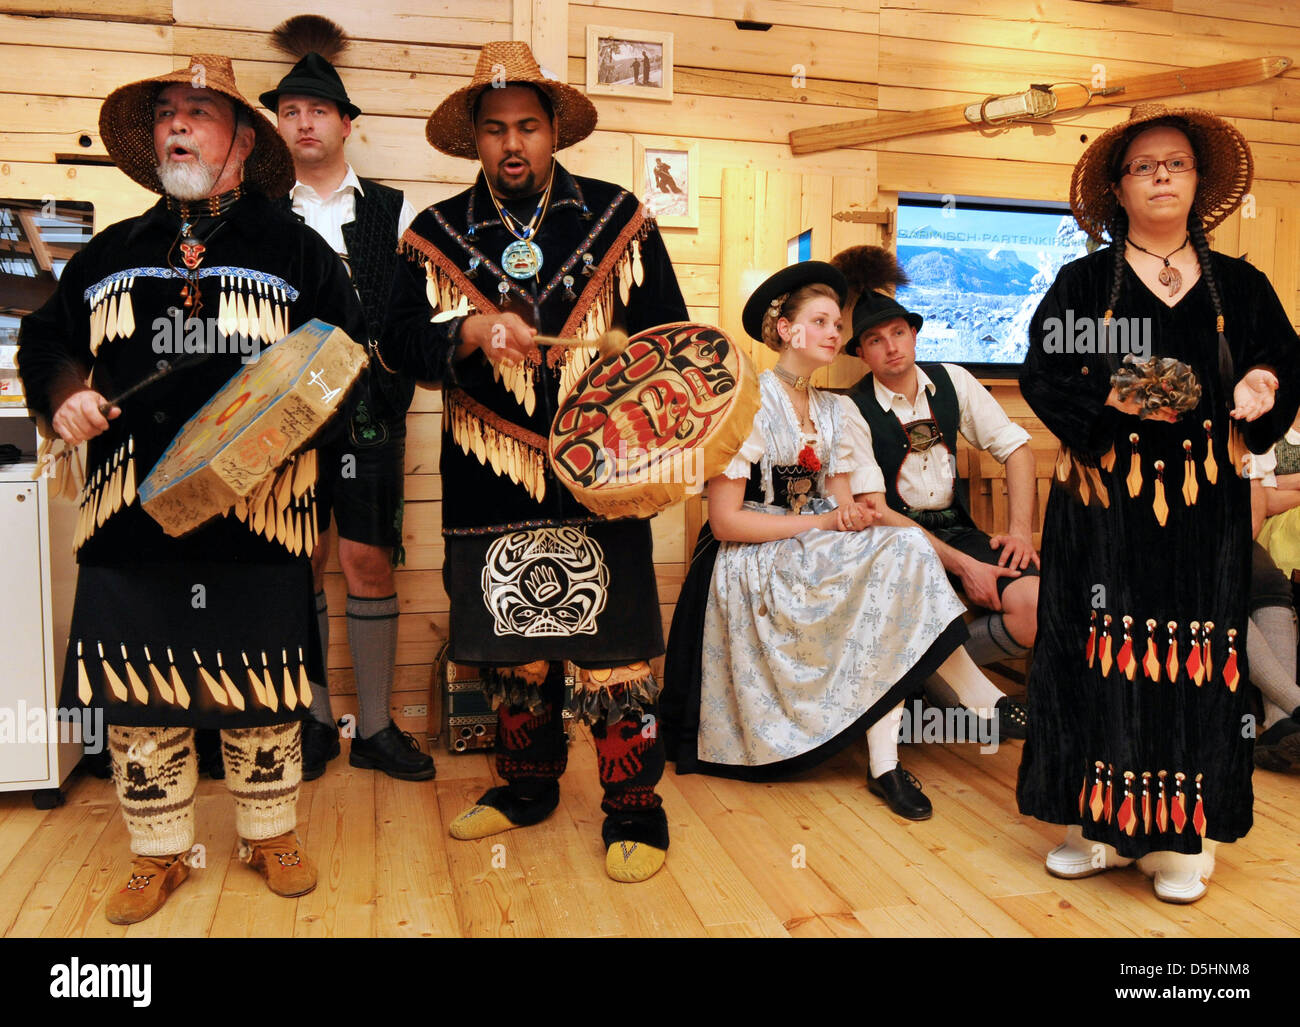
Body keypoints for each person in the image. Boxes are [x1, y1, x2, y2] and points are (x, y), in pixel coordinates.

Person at [16, 55, 367, 923]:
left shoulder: (299, 252)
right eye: (167, 112)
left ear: (243, 139)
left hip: (259, 510)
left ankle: (269, 831)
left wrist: (283, 437)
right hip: (130, 513)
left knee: (262, 678)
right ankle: (159, 852)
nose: (177, 124)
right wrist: (65, 399)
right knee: (140, 693)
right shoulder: (110, 253)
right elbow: (46, 342)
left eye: (198, 113)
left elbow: (348, 362)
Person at [377, 42, 689, 882]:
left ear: (554, 131)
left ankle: (632, 804)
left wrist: (640, 431)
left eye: (527, 127)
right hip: (488, 464)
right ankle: (527, 789)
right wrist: (468, 332)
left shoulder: (618, 218)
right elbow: (397, 344)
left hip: (602, 468)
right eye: (494, 130)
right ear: (473, 140)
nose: (512, 144)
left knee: (614, 645)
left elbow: (666, 337)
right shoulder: (433, 235)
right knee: (514, 642)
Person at [1016, 102, 1299, 903]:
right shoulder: (1081, 283)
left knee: (1194, 662)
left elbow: (1284, 359)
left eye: (1176, 162)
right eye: (1145, 165)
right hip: (1104, 502)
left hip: (1201, 509)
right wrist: (1114, 413)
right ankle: (1091, 830)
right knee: (1090, 655)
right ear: (1119, 186)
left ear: (1199, 179)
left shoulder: (1240, 285)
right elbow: (1043, 375)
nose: (1163, 174)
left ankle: (1185, 840)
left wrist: (1263, 382)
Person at [661, 261, 1005, 820]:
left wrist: (850, 519)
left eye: (836, 326)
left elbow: (844, 501)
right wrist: (825, 524)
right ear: (784, 330)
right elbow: (727, 524)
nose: (833, 334)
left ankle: (887, 761)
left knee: (905, 550)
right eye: (820, 321)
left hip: (816, 549)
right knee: (900, 555)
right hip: (753, 555)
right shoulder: (744, 404)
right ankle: (974, 703)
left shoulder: (836, 409)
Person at [261, 16, 431, 782]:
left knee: (367, 559)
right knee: (300, 557)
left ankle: (379, 726)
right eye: (290, 110)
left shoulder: (396, 212)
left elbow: (414, 317)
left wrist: (391, 386)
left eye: (318, 110)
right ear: (277, 124)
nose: (303, 121)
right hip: (283, 413)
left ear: (346, 124)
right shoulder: (260, 212)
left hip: (368, 410)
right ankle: (315, 721)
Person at [832, 245, 1035, 740]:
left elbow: (1019, 450)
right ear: (860, 352)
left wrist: (1019, 532)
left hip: (956, 530)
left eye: (899, 332)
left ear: (914, 332)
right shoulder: (851, 409)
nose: (892, 347)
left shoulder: (954, 382)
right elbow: (874, 511)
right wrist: (966, 567)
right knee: (910, 603)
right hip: (893, 545)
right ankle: (951, 696)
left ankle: (922, 685)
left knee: (1036, 603)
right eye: (875, 340)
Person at [1242, 440, 1300, 770]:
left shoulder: (1248, 435)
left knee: (1270, 583)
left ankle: (1281, 722)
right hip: (1163, 537)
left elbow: (1254, 509)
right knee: (1218, 588)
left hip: (1227, 535)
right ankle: (1295, 703)